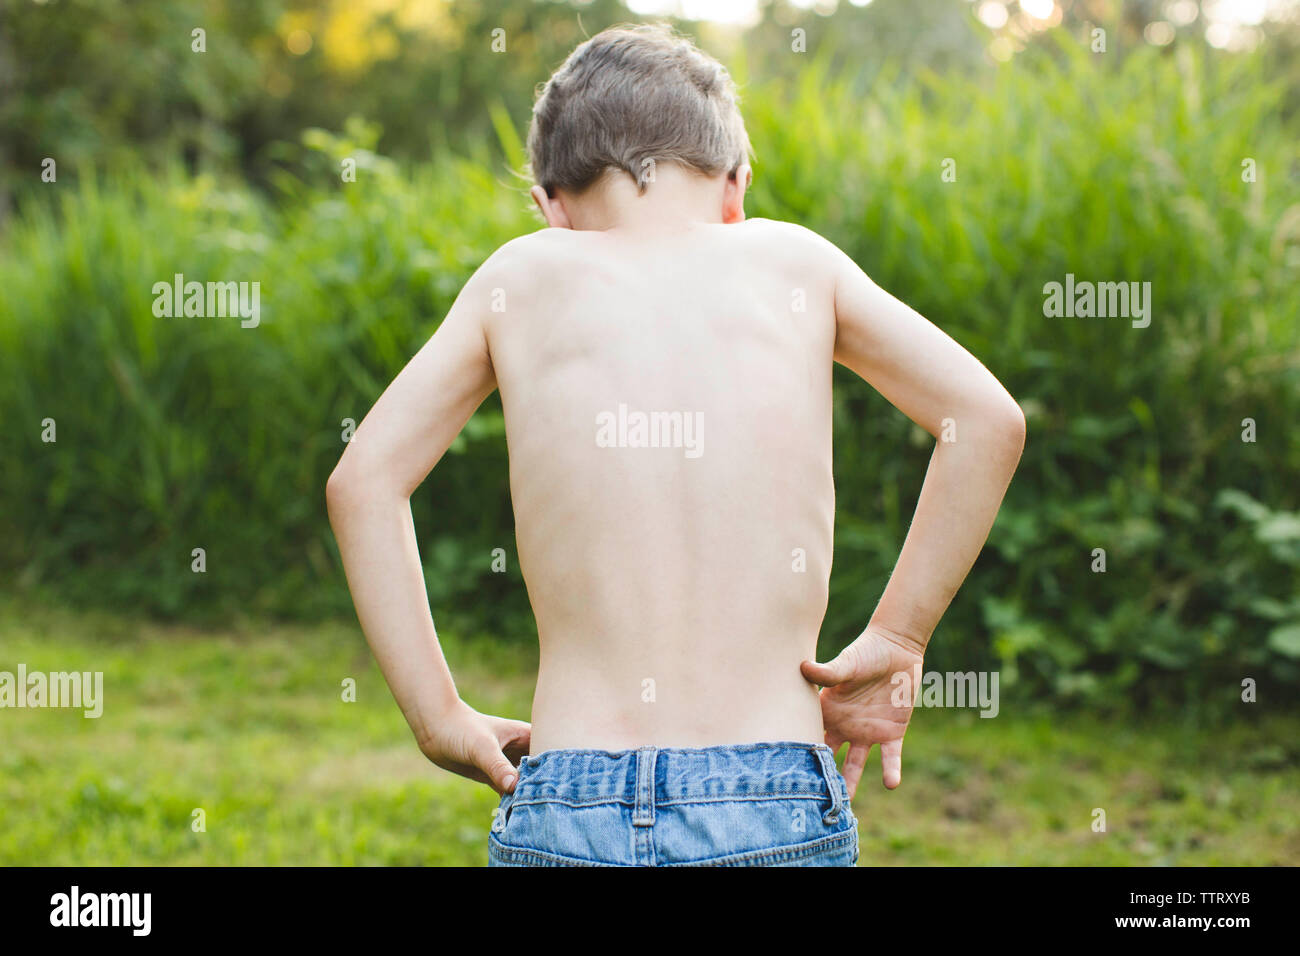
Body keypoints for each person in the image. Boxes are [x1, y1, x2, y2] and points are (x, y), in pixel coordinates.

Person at [326, 22, 1025, 867]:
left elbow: (363, 484)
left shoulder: (519, 278)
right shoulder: (796, 265)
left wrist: (439, 716)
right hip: (772, 797)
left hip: (569, 795)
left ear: (552, 204)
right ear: (736, 185)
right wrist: (899, 637)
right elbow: (985, 420)